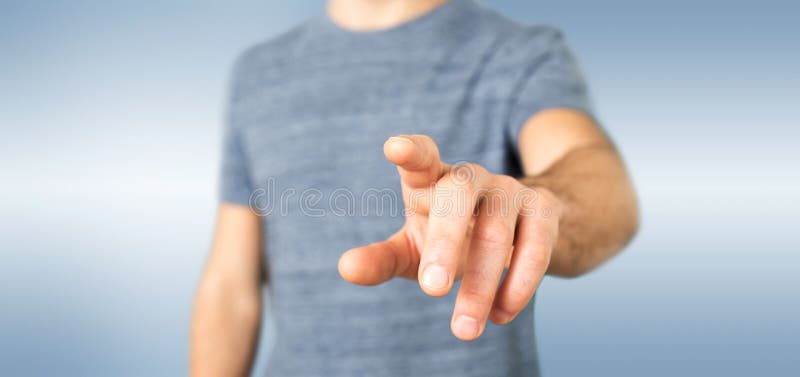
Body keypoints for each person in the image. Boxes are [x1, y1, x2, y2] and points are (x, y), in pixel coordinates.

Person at [190, 0, 639, 376]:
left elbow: (603, 188)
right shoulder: (256, 73)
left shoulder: (521, 53)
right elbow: (231, 284)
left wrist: (541, 206)